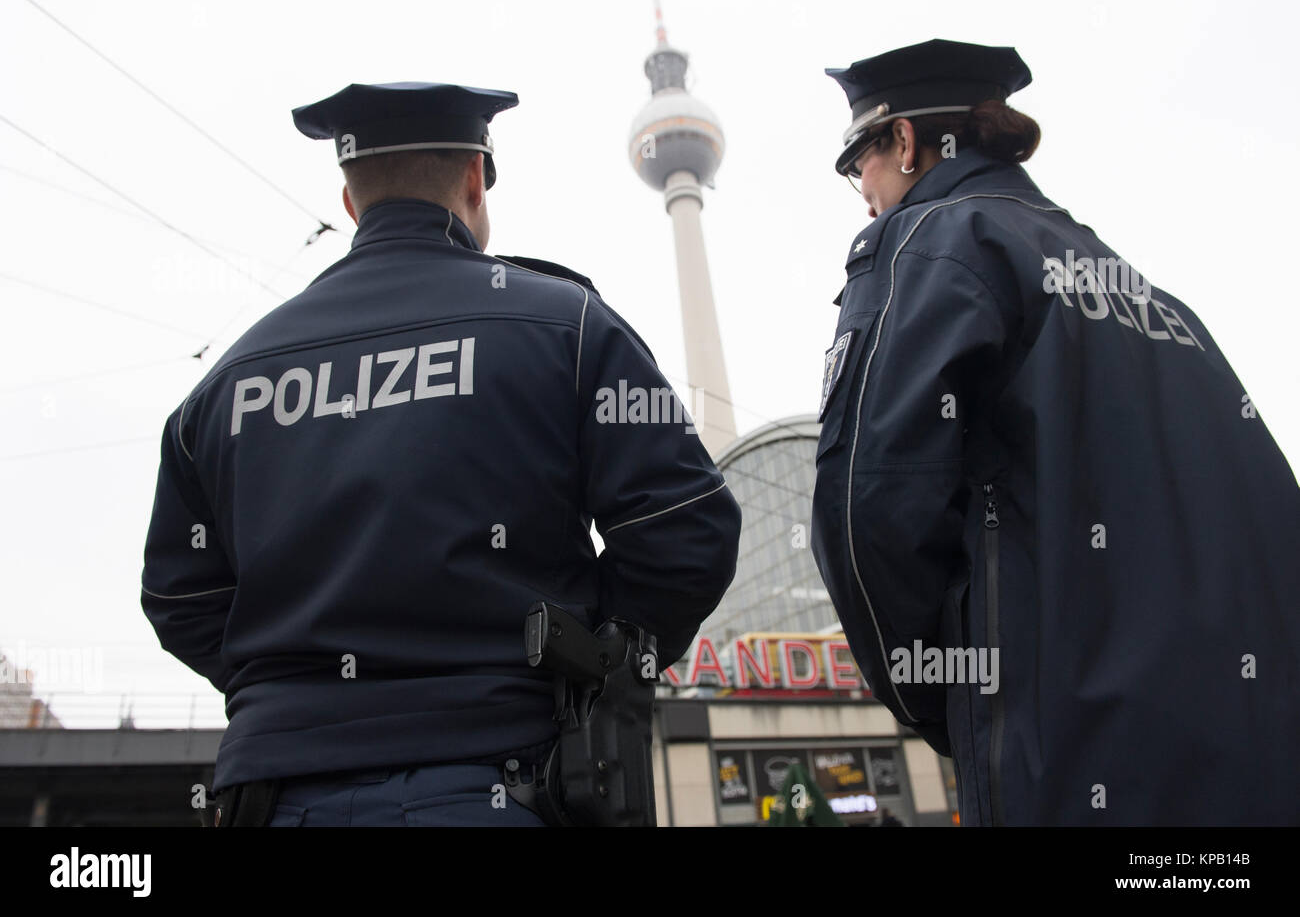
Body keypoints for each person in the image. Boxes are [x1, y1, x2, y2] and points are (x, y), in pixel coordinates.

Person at [139, 82, 742, 827]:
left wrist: (289, 688)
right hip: (506, 776)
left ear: (351, 202)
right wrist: (580, 657)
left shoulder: (227, 380)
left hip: (276, 791)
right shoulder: (566, 325)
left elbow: (177, 596)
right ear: (474, 179)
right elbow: (688, 528)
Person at [810, 40, 1300, 826]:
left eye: (853, 164)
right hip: (1253, 759)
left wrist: (947, 705)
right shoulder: (1149, 296)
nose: (859, 192)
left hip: (1065, 756)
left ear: (903, 142)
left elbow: (869, 511)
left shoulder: (926, 247)